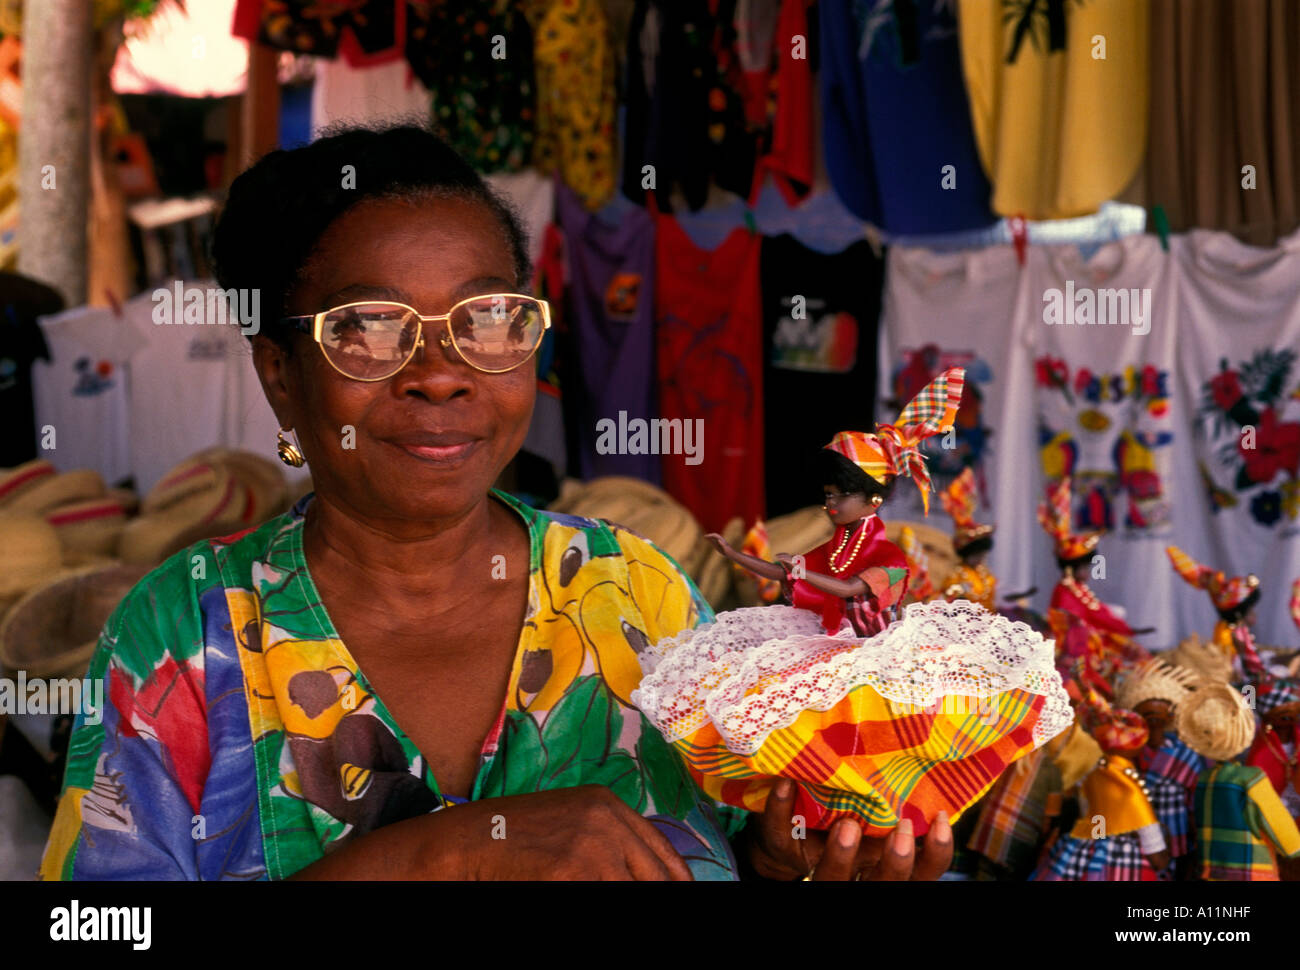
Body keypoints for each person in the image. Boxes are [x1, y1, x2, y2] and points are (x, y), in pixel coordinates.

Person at [38, 123, 952, 882]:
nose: (441, 375)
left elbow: (725, 846)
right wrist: (444, 853)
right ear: (280, 375)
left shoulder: (636, 596)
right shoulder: (183, 642)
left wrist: (778, 862)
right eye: (367, 329)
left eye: (487, 319)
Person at [637, 370, 1072, 841]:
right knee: (778, 717)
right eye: (828, 495)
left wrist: (805, 575)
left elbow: (851, 591)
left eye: (841, 495)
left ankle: (883, 814)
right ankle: (823, 812)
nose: (831, 504)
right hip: (828, 643)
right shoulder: (833, 546)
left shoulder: (887, 556)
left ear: (874, 499)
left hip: (872, 649)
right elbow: (788, 574)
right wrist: (736, 555)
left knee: (881, 739)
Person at [1031, 691, 1170, 881]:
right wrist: (1163, 859)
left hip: (1085, 848)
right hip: (1122, 863)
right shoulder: (1128, 787)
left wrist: (1099, 846)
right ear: (1133, 747)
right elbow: (1151, 842)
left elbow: (1097, 822)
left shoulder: (1094, 775)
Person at [1178, 682, 1300, 881]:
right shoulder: (1251, 778)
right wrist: (1294, 849)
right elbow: (1281, 828)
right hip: (1252, 869)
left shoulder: (1204, 778)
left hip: (1213, 869)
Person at [1114, 658, 1206, 879]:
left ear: (1171, 717)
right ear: (1135, 717)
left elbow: (1194, 803)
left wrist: (1198, 843)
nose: (1154, 719)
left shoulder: (1186, 754)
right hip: (1136, 841)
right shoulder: (1127, 754)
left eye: (1160, 713)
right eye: (1147, 714)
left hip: (1178, 839)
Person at [1166, 546, 1265, 678]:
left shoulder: (1237, 631)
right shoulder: (1227, 633)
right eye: (1251, 611)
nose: (1255, 615)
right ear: (1239, 613)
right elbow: (1233, 666)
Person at [938, 467, 996, 612]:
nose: (980, 558)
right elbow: (946, 601)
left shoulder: (985, 573)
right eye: (976, 554)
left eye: (982, 554)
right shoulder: (956, 575)